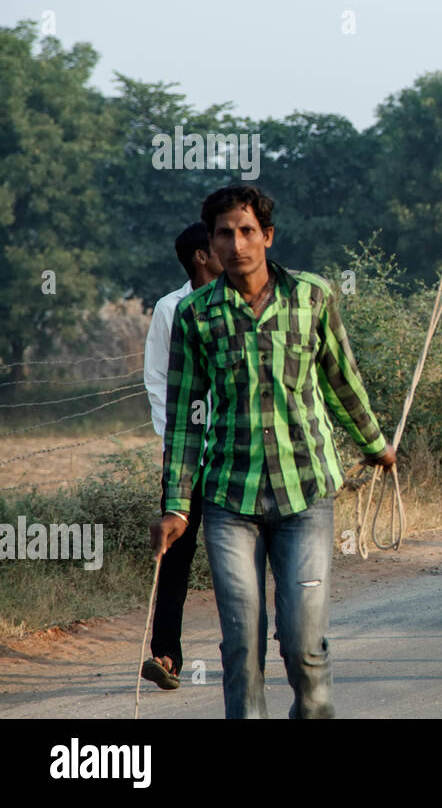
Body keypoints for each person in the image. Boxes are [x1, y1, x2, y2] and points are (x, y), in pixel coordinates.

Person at [151, 185, 395, 718]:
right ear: (210, 245)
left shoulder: (312, 296)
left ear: (267, 236)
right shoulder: (194, 316)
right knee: (242, 645)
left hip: (305, 492)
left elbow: (341, 378)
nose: (236, 244)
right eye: (224, 234)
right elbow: (185, 418)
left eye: (246, 231)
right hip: (227, 500)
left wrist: (376, 445)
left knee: (304, 644)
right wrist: (176, 503)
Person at [140, 222, 223, 690]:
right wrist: (176, 442)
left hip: (236, 448)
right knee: (176, 554)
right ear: (200, 256)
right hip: (188, 454)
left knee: (241, 554)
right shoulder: (171, 309)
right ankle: (165, 655)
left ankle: (248, 649)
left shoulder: (240, 304)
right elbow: (157, 379)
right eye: (219, 244)